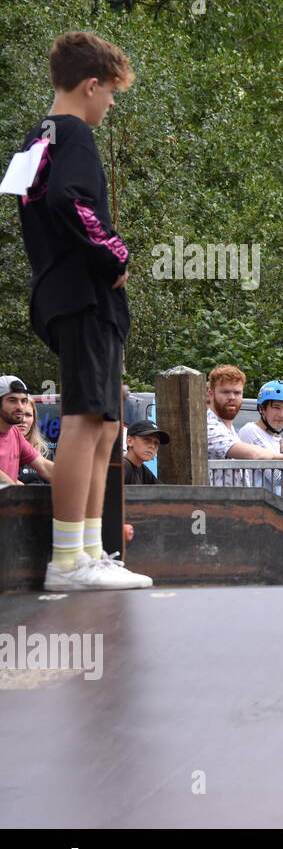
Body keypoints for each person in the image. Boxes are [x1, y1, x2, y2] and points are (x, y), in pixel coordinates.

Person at [14, 33, 151, 589]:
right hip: (83, 292)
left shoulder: (36, 137)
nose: (111, 104)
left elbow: (37, 213)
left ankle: (91, 550)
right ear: (91, 84)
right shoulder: (72, 133)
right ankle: (68, 559)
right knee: (83, 419)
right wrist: (115, 251)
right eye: (112, 92)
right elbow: (70, 201)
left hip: (64, 289)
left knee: (103, 422)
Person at [206, 365, 283, 487]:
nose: (232, 397)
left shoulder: (227, 427)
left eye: (237, 392)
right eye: (225, 392)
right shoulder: (209, 426)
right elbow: (254, 454)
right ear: (211, 394)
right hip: (216, 504)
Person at [237, 379, 283, 502]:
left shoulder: (276, 437)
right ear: (262, 408)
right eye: (276, 408)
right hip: (259, 510)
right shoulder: (251, 431)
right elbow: (277, 479)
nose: (282, 415)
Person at [0, 376, 55, 487]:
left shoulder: (14, 433)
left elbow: (44, 466)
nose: (20, 407)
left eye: (24, 401)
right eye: (12, 400)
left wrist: (81, 480)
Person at [15, 393, 51, 484]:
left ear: (34, 418)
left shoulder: (45, 451)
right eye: (18, 414)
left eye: (28, 415)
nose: (23, 419)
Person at [123, 419, 169, 484]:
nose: (152, 446)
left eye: (156, 443)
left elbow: (165, 491)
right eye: (147, 440)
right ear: (130, 441)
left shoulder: (143, 470)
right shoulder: (123, 467)